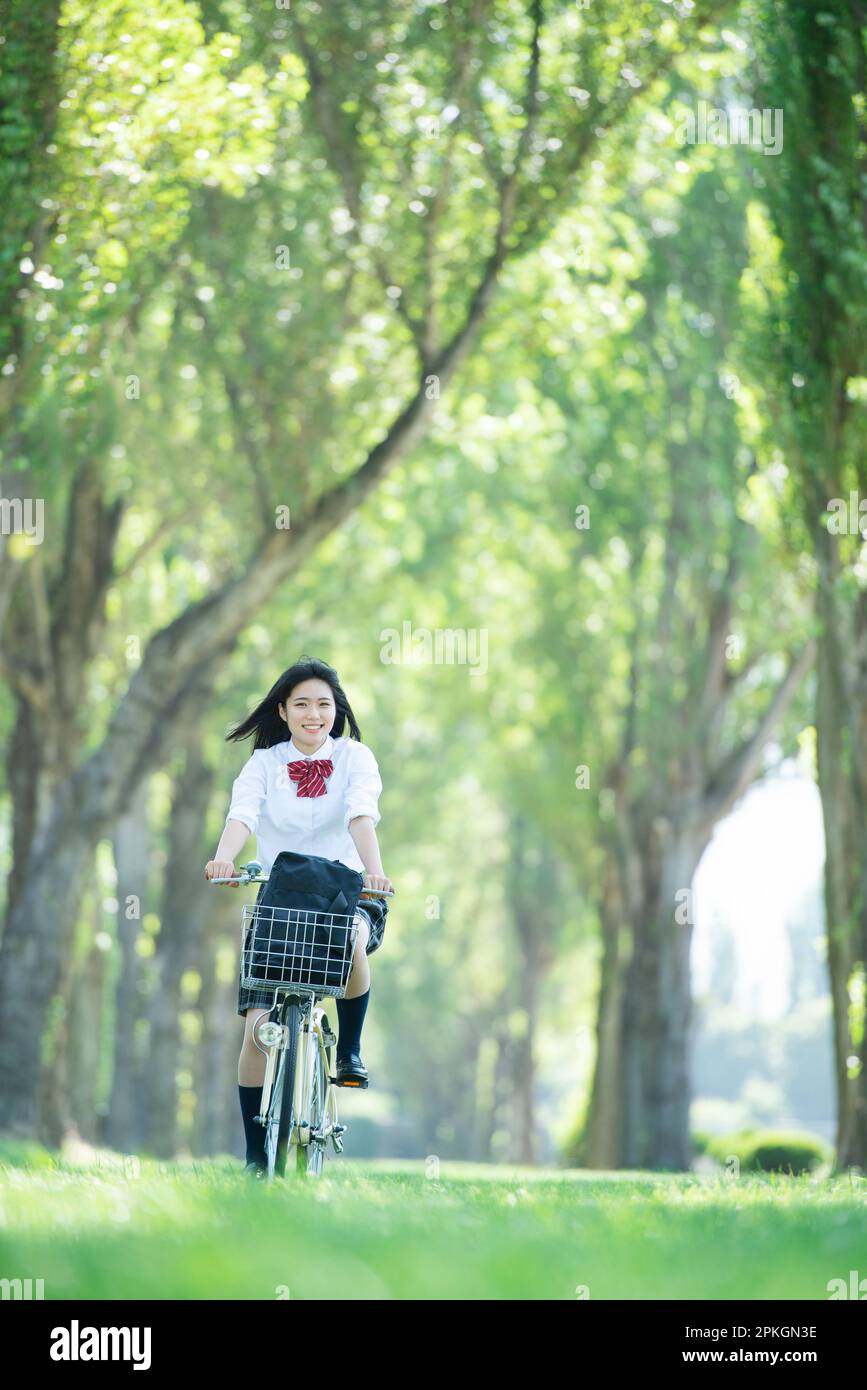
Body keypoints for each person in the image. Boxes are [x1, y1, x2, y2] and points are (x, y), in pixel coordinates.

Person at [204, 655, 394, 1175]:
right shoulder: (263, 764)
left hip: (347, 890)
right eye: (302, 705)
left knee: (350, 940)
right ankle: (253, 1155)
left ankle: (350, 1050)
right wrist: (224, 857)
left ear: (337, 711)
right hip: (281, 894)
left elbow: (360, 813)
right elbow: (242, 812)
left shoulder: (356, 758)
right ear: (283, 711)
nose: (314, 714)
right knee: (257, 1029)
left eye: (324, 705)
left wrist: (374, 871)